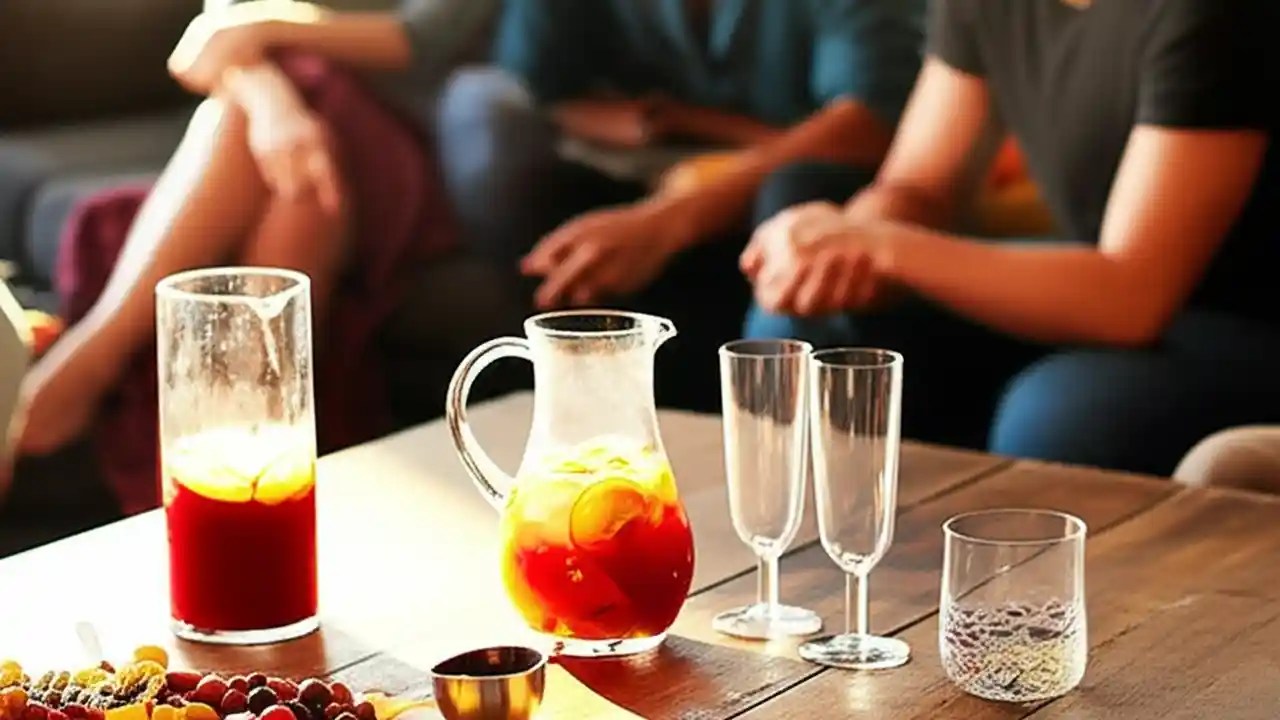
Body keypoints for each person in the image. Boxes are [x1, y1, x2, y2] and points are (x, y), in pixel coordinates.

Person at [741, 0, 1280, 481]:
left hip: (1230, 321)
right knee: (803, 331)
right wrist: (842, 251)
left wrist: (881, 246)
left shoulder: (1214, 13)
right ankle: (840, 572)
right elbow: (918, 186)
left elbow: (1132, 298)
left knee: (1061, 415)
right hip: (1103, 291)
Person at [12, 0, 499, 460]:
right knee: (288, 157)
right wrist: (271, 101)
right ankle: (249, 437)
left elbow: (423, 41)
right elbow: (205, 47)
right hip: (278, 109)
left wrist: (268, 27)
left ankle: (95, 359)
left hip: (420, 135)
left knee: (304, 161)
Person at [433, 0, 926, 411]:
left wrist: (673, 214)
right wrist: (659, 126)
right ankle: (569, 408)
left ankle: (766, 447)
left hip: (781, 204)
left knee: (796, 191)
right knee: (480, 113)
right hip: (642, 181)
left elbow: (872, 123)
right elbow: (541, 88)